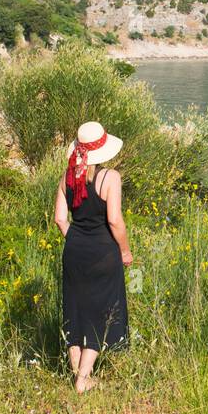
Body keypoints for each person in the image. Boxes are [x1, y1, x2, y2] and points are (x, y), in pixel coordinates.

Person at [53, 121, 131, 393]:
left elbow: (60, 219)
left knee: (75, 308)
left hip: (74, 252)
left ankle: (76, 371)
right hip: (103, 254)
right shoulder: (110, 178)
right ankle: (83, 379)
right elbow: (115, 221)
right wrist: (124, 250)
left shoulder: (67, 178)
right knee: (101, 311)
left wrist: (76, 239)